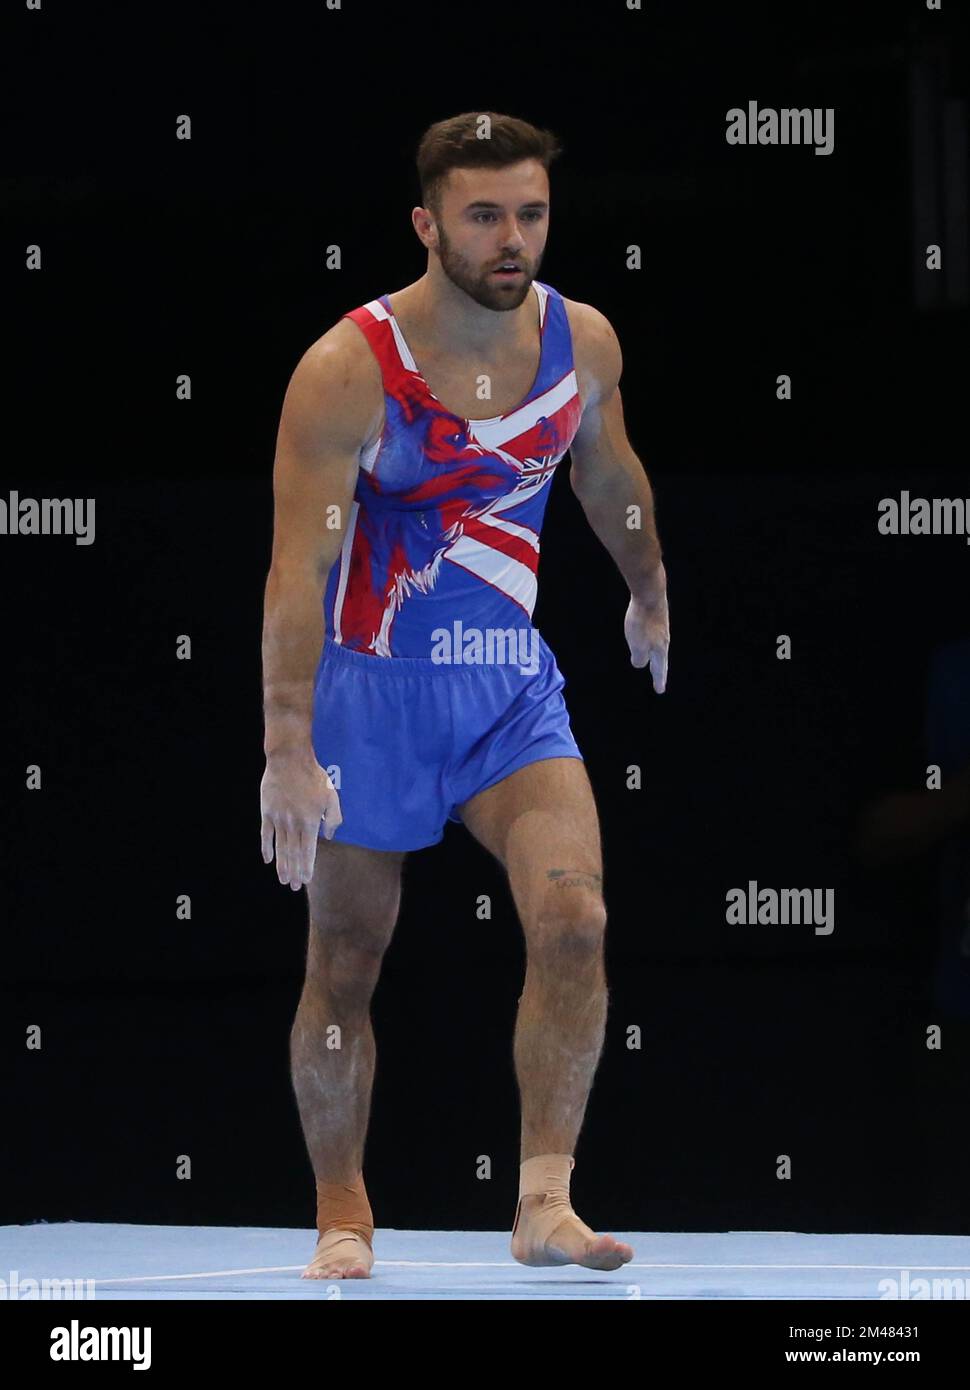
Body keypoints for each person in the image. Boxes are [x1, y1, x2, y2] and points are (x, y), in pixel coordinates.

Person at [259, 111, 670, 1279]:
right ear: (426, 223)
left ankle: (544, 1201)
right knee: (344, 961)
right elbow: (297, 569)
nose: (511, 240)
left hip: (505, 698)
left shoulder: (581, 341)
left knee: (576, 919)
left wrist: (649, 587)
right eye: (483, 216)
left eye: (529, 214)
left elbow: (609, 474)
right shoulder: (349, 369)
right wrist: (287, 740)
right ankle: (343, 1209)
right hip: (364, 701)